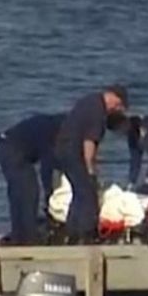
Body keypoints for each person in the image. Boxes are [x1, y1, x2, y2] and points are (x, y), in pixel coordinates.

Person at [54, 85, 129, 244]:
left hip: (62, 149)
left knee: (78, 192)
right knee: (88, 192)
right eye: (119, 105)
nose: (117, 109)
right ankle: (86, 234)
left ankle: (72, 232)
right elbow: (89, 142)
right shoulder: (98, 112)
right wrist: (90, 169)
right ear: (114, 97)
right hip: (73, 152)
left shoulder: (90, 101)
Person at [0, 112, 65, 245]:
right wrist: (50, 197)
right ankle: (28, 239)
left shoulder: (59, 123)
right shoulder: (58, 132)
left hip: (5, 143)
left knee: (18, 194)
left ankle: (19, 236)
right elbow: (47, 167)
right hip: (12, 148)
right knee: (28, 192)